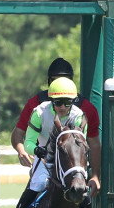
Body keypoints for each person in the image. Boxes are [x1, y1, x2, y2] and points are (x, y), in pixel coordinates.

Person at [3, 77, 94, 208]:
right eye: (58, 102)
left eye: (67, 102)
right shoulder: (39, 113)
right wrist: (37, 150)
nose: (62, 107)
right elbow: (28, 143)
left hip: (69, 161)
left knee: (80, 186)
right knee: (37, 184)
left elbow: (81, 144)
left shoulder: (79, 116)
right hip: (46, 159)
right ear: (52, 100)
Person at [11, 57, 102, 187]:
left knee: (83, 198)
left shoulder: (85, 110)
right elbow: (18, 133)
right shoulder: (36, 107)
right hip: (44, 162)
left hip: (72, 165)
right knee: (36, 187)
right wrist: (22, 150)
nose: (62, 107)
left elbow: (93, 144)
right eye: (56, 80)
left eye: (65, 81)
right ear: (49, 82)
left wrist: (95, 176)